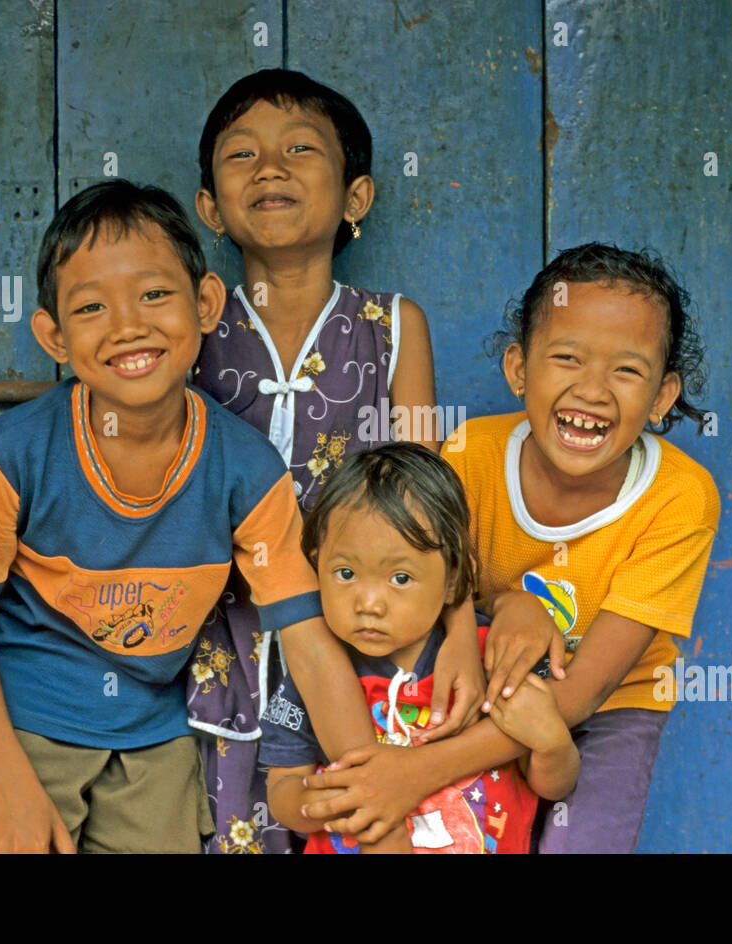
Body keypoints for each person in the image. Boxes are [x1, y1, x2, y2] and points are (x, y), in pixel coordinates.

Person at [0, 180, 379, 853]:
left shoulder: (246, 471)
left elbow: (306, 639)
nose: (128, 324)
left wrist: (370, 787)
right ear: (53, 335)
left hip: (156, 745)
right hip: (25, 734)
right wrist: (10, 785)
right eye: (92, 306)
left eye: (155, 294)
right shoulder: (13, 455)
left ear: (207, 304)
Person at [298, 243, 721, 853]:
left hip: (610, 707)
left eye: (627, 371)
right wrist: (499, 615)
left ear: (661, 395)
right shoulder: (471, 455)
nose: (594, 389)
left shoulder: (680, 497)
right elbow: (438, 575)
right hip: (479, 677)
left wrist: (414, 773)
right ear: (519, 368)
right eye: (567, 358)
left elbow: (580, 696)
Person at [184, 69, 484, 852]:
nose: (271, 167)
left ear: (357, 198)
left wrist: (457, 634)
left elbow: (428, 506)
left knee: (352, 813)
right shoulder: (185, 328)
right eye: (242, 154)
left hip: (359, 643)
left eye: (301, 150)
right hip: (214, 646)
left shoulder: (390, 327)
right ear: (210, 207)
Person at [260, 442, 579, 853]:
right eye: (345, 572)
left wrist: (554, 744)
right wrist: (311, 803)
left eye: (401, 578)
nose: (369, 603)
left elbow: (552, 784)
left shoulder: (494, 659)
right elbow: (282, 783)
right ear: (316, 563)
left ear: (452, 580)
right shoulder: (318, 673)